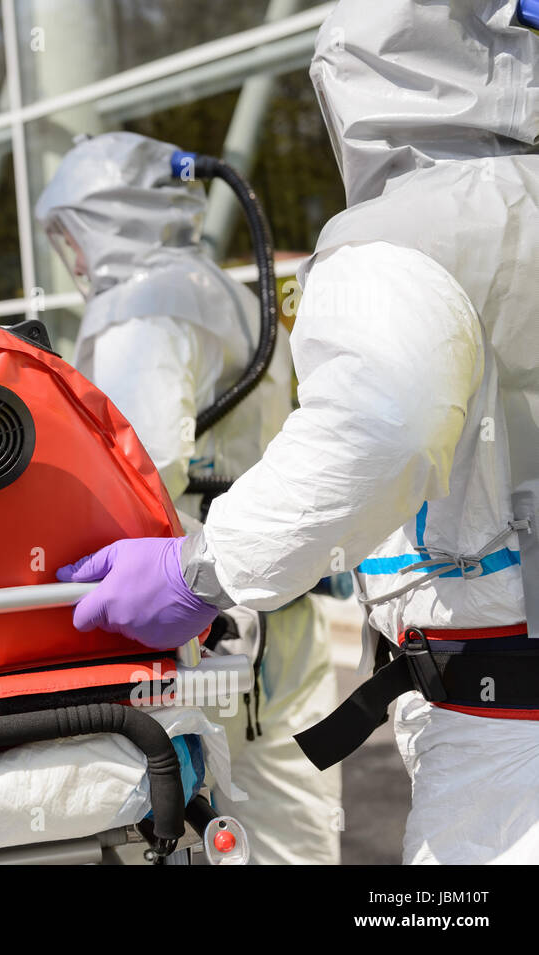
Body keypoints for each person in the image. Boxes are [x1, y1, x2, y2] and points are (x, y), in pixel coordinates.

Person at [58, 0, 539, 864]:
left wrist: (201, 567)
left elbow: (382, 424)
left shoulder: (404, 236)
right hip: (387, 650)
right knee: (282, 809)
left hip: (507, 731)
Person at [36, 131, 341, 865]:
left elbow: (137, 468)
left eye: (73, 233)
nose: (74, 258)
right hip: (270, 605)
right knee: (289, 812)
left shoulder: (146, 305)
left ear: (111, 218)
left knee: (191, 818)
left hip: (197, 613)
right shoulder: (217, 289)